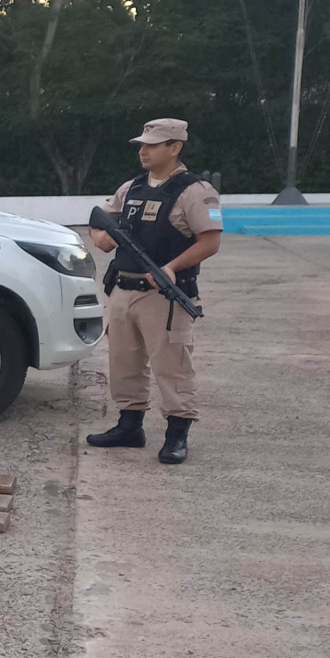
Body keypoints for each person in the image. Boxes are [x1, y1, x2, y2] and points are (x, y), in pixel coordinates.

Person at [85, 119, 222, 464]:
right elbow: (101, 220)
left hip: (164, 295)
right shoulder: (131, 187)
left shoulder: (194, 191)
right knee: (124, 363)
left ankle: (177, 435)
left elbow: (211, 241)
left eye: (153, 145)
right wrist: (101, 238)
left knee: (172, 366)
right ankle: (129, 426)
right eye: (142, 144)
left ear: (175, 147)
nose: (143, 151)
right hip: (123, 289)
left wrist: (172, 268)